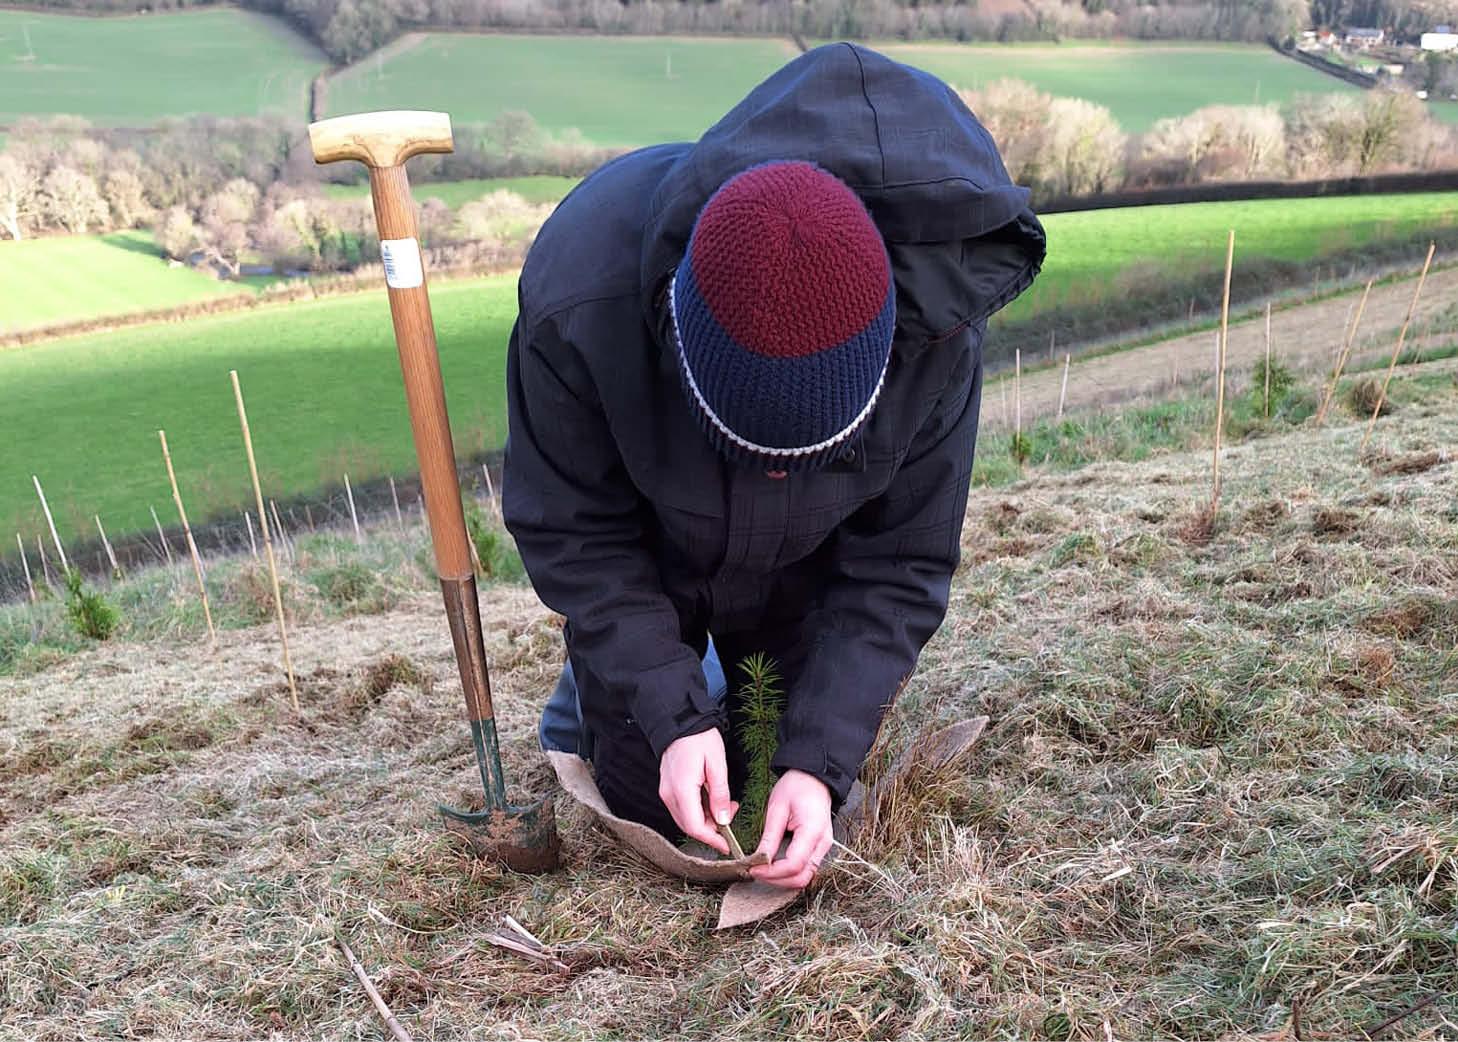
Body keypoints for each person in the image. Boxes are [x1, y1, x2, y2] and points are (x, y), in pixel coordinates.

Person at [502, 43, 1045, 891]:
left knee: (776, 780)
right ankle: (607, 688)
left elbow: (899, 564)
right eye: (746, 450)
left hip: (809, 563)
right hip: (654, 544)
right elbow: (575, 531)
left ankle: (719, 678)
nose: (779, 477)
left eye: (813, 457)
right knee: (648, 795)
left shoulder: (937, 328)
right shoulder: (581, 303)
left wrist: (818, 763)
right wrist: (670, 712)